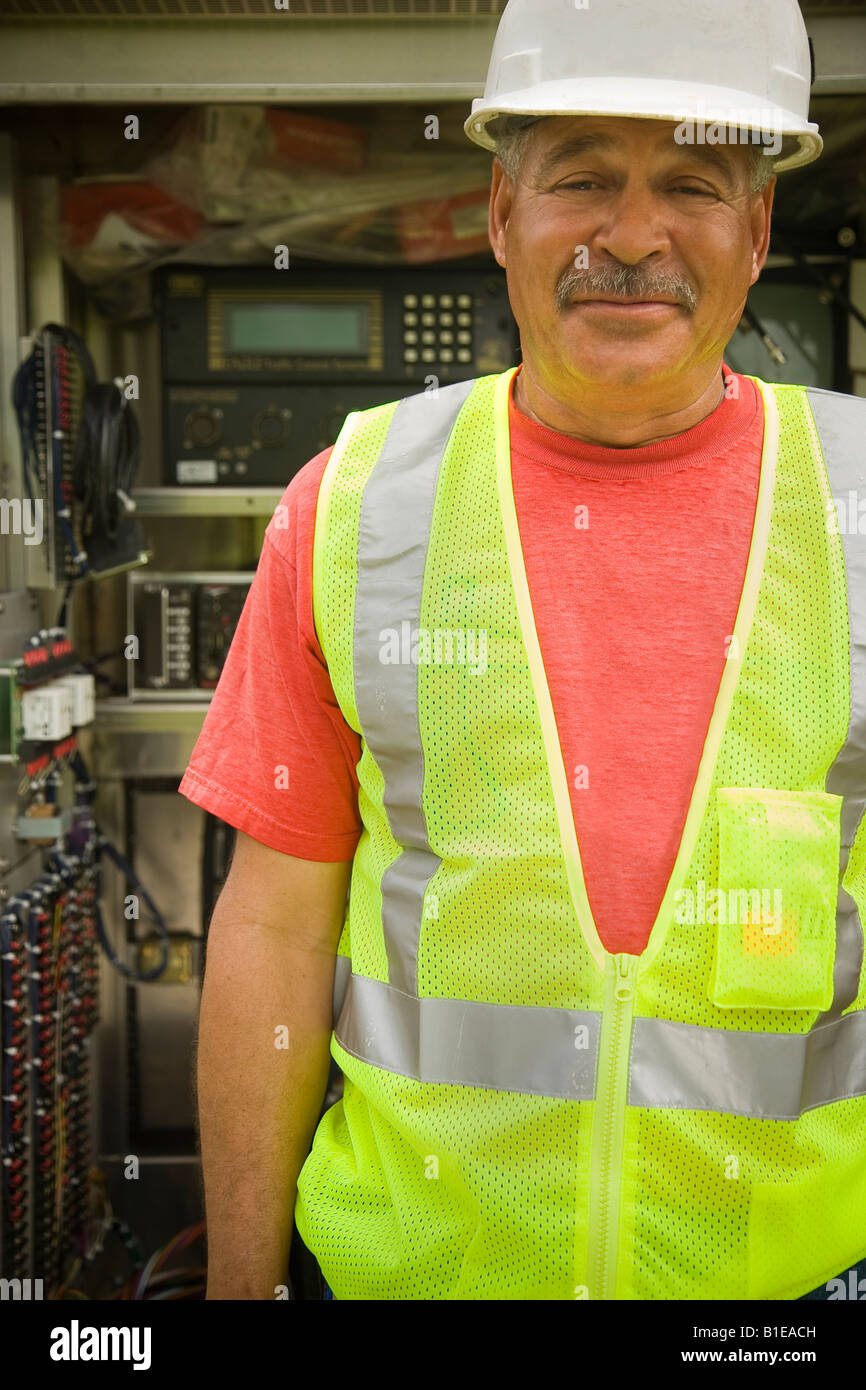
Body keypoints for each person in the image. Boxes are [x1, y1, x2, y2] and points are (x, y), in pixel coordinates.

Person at [180, 0, 866, 1300]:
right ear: (501, 212)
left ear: (758, 229)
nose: (630, 235)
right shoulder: (356, 504)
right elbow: (271, 927)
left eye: (691, 183)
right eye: (584, 179)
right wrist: (238, 1287)